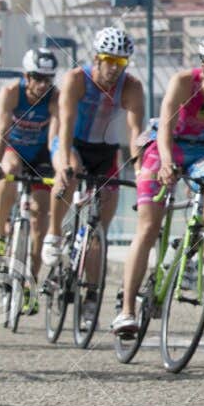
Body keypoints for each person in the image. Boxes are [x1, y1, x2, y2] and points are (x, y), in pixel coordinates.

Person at [115, 29, 204, 339]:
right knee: (148, 227)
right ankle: (126, 310)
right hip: (164, 146)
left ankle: (188, 249)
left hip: (199, 150)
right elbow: (164, 128)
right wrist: (166, 163)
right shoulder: (182, 82)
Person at [43, 27, 147, 270]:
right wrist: (64, 163)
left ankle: (91, 289)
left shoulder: (131, 86)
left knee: (103, 221)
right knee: (70, 171)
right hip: (72, 143)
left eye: (121, 62)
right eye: (109, 60)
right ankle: (54, 233)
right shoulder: (77, 79)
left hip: (105, 150)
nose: (114, 68)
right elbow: (66, 123)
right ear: (96, 59)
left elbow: (135, 132)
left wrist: (140, 170)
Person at [0, 50, 61, 297]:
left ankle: (31, 283)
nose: (43, 84)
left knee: (40, 219)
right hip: (15, 149)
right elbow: (2, 133)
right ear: (26, 77)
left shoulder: (55, 97)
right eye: (37, 77)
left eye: (48, 79)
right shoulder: (10, 93)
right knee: (8, 170)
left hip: (42, 155)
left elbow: (54, 138)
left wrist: (60, 169)